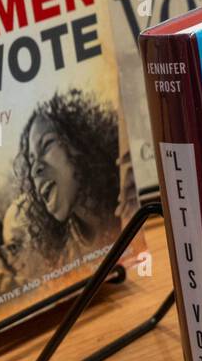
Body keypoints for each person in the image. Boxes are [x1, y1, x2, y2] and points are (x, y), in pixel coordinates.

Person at [12, 90, 122, 269]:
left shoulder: (127, 198)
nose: (35, 169)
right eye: (31, 161)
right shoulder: (66, 259)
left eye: (46, 145)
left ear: (80, 142)